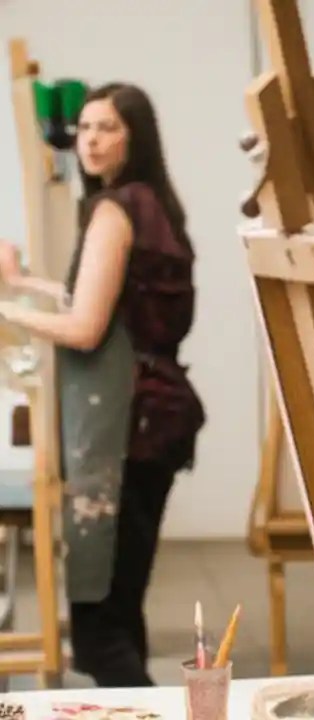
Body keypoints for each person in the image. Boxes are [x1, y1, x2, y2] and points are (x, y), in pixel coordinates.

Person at [0, 83, 205, 687]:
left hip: (128, 424)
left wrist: (6, 316)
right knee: (119, 611)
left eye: (108, 127)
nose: (90, 139)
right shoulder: (152, 204)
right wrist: (24, 286)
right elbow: (102, 305)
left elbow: (87, 328)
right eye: (85, 127)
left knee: (99, 630)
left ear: (134, 138)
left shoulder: (113, 209)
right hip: (153, 416)